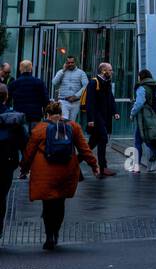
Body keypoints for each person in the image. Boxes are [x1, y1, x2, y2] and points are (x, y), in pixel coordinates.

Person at [21, 99, 99, 250]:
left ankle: (49, 235)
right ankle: (56, 232)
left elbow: (29, 152)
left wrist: (24, 168)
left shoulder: (39, 128)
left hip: (45, 172)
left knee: (48, 204)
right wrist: (94, 165)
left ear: (47, 114)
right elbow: (84, 149)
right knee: (60, 203)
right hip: (66, 171)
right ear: (61, 113)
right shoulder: (73, 126)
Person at [0, 84, 27, 241]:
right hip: (6, 161)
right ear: (6, 97)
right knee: (2, 196)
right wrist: (26, 163)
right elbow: (23, 142)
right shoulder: (13, 118)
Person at [131, 69, 156, 174]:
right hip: (153, 116)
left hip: (144, 119)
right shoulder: (155, 85)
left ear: (141, 77)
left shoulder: (142, 88)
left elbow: (139, 103)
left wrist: (132, 113)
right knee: (143, 141)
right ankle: (137, 166)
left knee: (146, 141)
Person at [84, 61, 119, 177]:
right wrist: (91, 119)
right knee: (103, 138)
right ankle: (102, 167)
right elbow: (90, 103)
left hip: (104, 117)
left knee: (92, 143)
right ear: (103, 71)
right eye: (110, 70)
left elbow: (111, 99)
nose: (112, 72)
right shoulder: (94, 83)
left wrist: (115, 112)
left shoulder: (106, 82)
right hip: (96, 117)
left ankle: (75, 162)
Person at [10, 60, 49, 154]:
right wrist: (46, 112)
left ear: (20, 69)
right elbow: (45, 99)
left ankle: (25, 158)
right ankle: (33, 160)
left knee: (23, 139)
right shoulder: (39, 82)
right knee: (35, 138)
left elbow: (7, 98)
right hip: (35, 114)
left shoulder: (15, 83)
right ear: (31, 69)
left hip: (20, 115)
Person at [51, 56, 88, 122]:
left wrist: (76, 96)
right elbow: (54, 82)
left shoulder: (81, 73)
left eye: (72, 62)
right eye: (68, 62)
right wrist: (63, 71)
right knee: (64, 121)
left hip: (76, 102)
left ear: (75, 63)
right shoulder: (61, 72)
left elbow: (86, 86)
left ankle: (70, 132)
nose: (70, 64)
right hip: (63, 101)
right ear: (66, 63)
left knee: (72, 123)